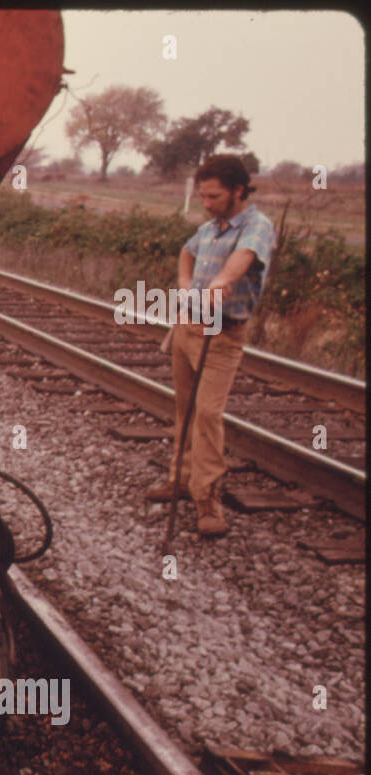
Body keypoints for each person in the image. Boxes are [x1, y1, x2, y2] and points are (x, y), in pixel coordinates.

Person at [144, 155, 274, 536]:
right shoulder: (210, 226)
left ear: (237, 191)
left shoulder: (256, 226)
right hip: (188, 327)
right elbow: (187, 251)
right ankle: (180, 480)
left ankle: (208, 499)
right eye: (202, 196)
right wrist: (185, 285)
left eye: (214, 196)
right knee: (185, 410)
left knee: (208, 415)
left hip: (222, 332)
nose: (207, 202)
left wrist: (221, 282)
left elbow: (243, 258)